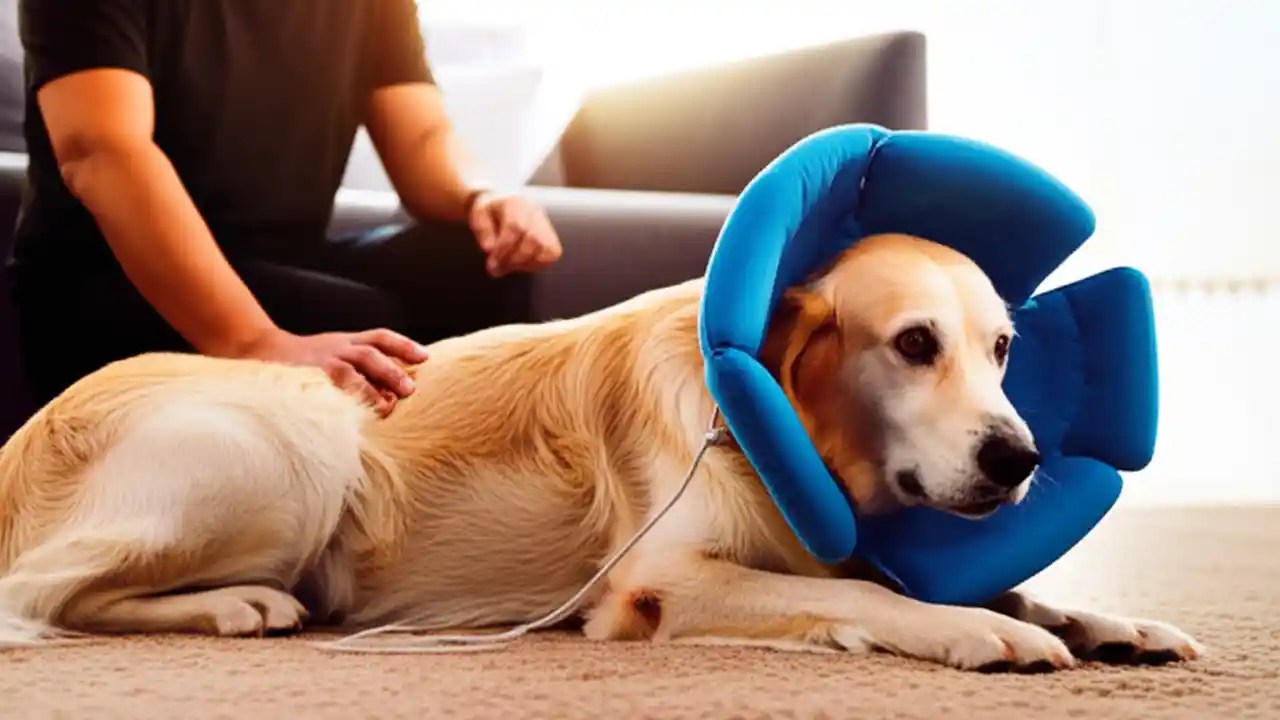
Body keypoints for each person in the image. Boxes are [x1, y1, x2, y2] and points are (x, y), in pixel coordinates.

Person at [7, 0, 564, 417]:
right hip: (107, 283)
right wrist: (254, 342)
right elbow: (101, 152)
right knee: (358, 318)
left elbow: (421, 138)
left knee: (478, 265)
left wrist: (482, 194)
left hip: (286, 264)